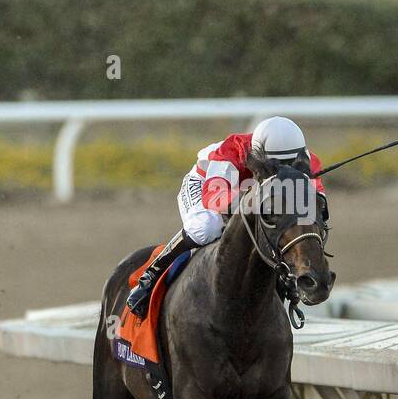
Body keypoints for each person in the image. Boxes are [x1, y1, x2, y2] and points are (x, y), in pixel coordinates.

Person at [124, 116, 328, 318]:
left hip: (255, 193)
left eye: (290, 165)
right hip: (207, 183)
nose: (285, 171)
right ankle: (150, 277)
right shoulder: (231, 152)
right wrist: (253, 200)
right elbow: (214, 197)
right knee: (206, 227)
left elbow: (316, 205)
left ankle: (288, 280)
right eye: (278, 166)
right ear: (260, 157)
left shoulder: (307, 160)